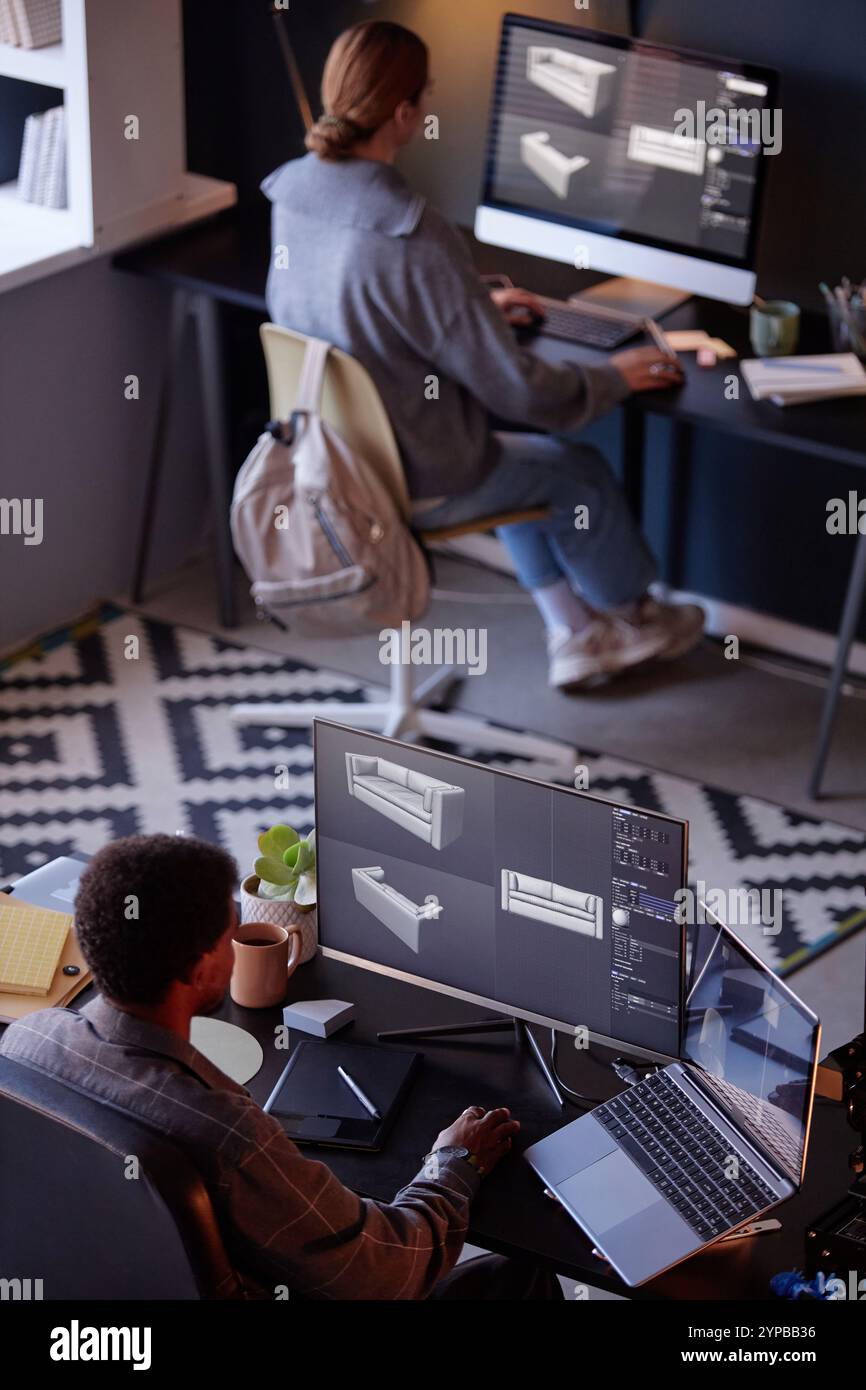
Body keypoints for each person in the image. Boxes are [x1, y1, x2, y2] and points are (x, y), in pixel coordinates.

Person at [262, 20, 704, 690]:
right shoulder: (415, 232)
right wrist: (611, 377)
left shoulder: (291, 194)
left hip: (328, 459)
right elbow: (523, 394)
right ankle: (635, 618)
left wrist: (468, 312)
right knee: (571, 471)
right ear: (406, 113)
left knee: (516, 459)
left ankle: (576, 633)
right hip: (411, 478)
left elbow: (341, 308)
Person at [0, 835, 561, 1301]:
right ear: (202, 969)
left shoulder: (23, 1041)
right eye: (230, 936)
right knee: (517, 1275)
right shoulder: (231, 1138)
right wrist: (453, 1164)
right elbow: (388, 1273)